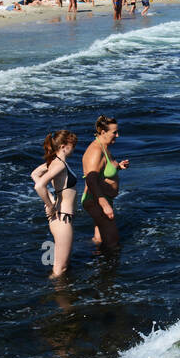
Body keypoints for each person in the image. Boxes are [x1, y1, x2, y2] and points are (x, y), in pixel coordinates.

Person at [31, 130, 80, 277]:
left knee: (64, 265)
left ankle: (62, 295)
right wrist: (50, 204)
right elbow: (39, 185)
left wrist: (52, 199)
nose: (75, 148)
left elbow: (34, 174)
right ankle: (56, 296)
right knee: (60, 270)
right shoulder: (59, 165)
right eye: (73, 145)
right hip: (62, 219)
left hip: (60, 218)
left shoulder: (53, 162)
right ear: (64, 146)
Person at [82, 115, 128, 248]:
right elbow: (91, 180)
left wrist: (118, 167)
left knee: (99, 239)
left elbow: (103, 171)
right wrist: (104, 205)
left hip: (103, 198)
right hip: (97, 200)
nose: (118, 135)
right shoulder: (96, 151)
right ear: (103, 132)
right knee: (113, 242)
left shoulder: (104, 147)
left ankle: (95, 263)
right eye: (114, 132)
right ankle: (108, 268)